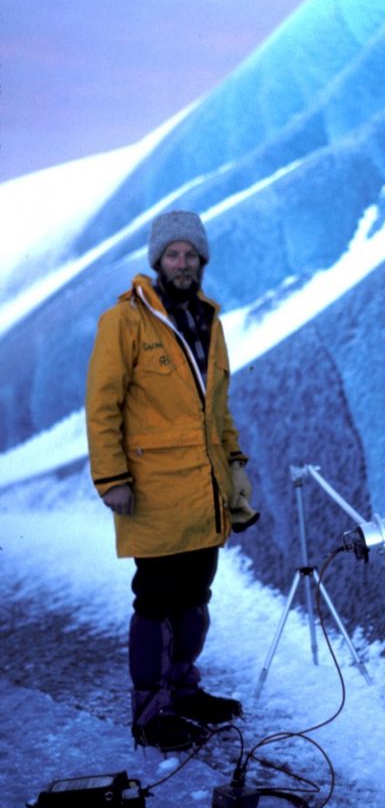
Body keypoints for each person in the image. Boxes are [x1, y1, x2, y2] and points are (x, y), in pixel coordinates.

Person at [85, 210, 259, 752]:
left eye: (190, 254)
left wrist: (235, 471)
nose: (182, 263)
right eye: (172, 254)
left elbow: (217, 411)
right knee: (156, 599)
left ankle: (184, 691)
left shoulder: (209, 320)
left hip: (204, 492)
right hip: (153, 490)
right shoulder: (125, 321)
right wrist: (111, 477)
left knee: (195, 593)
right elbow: (102, 406)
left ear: (201, 261)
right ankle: (150, 712)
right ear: (157, 261)